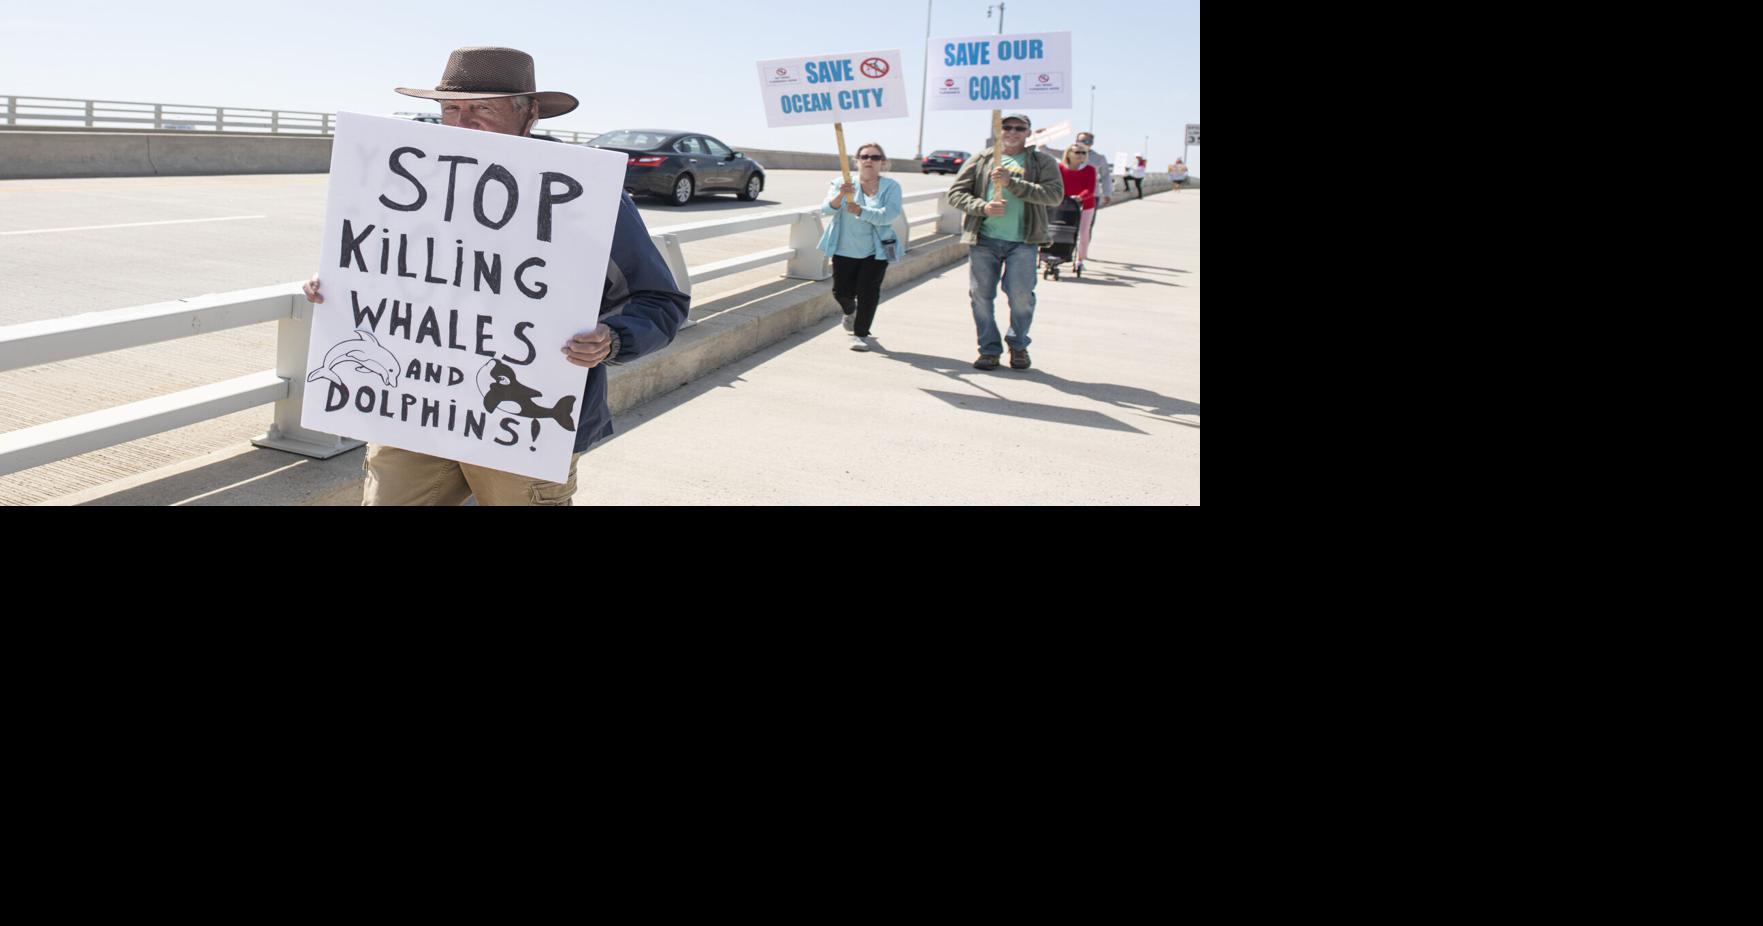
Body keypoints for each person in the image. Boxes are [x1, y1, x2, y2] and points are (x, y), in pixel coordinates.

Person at [301, 46, 690, 505]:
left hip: (523, 431)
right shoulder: (408, 182)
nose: (463, 123)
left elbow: (661, 301)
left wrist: (614, 338)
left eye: (482, 109)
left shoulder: (584, 194)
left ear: (530, 115)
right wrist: (342, 284)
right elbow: (390, 266)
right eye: (451, 109)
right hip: (412, 417)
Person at [946, 111, 1064, 371]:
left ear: (1028, 132)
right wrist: (982, 207)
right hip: (985, 239)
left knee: (1021, 296)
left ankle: (1018, 343)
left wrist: (1013, 183)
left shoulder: (1042, 162)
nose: (1012, 132)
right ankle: (988, 350)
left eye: (1018, 128)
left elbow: (1054, 195)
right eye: (1006, 127)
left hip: (1023, 241)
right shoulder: (982, 159)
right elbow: (955, 193)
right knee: (980, 296)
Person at [816, 143, 902, 351]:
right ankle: (850, 311)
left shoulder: (891, 187)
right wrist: (841, 195)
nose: (869, 161)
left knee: (868, 293)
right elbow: (826, 209)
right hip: (844, 248)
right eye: (864, 156)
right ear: (857, 160)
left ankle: (861, 334)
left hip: (876, 251)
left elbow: (889, 215)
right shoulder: (841, 182)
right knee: (841, 293)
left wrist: (861, 211)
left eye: (875, 157)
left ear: (882, 161)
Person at [1058, 143, 1098, 274]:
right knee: (1059, 229)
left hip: (1084, 205)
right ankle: (1056, 255)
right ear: (1069, 153)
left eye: (1083, 153)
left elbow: (1090, 189)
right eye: (1077, 152)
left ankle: (1080, 259)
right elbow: (1056, 185)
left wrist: (1079, 197)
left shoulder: (1090, 169)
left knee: (1083, 232)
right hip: (1063, 205)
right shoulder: (1060, 168)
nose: (1081, 155)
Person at [1074, 132, 1113, 210]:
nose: (1084, 144)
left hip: (1091, 196)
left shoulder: (1099, 158)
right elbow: (1047, 150)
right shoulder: (1068, 155)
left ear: (1092, 143)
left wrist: (1107, 193)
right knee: (1070, 221)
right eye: (1081, 141)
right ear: (1076, 141)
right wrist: (1043, 136)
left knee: (1087, 222)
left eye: (1087, 141)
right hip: (1071, 196)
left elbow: (1105, 176)